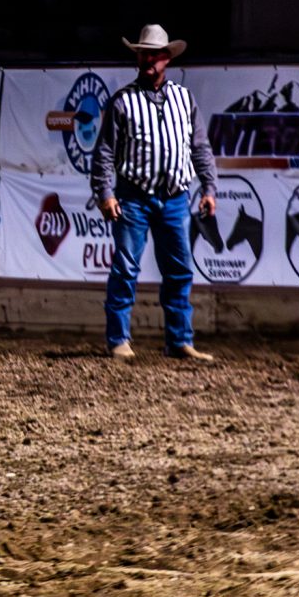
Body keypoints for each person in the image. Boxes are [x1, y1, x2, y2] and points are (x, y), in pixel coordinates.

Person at [91, 23, 218, 362]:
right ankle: (118, 339)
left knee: (179, 270)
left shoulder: (184, 98)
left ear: (166, 59)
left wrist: (209, 188)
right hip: (134, 195)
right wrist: (106, 194)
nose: (148, 59)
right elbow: (104, 152)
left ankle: (179, 341)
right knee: (126, 267)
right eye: (143, 54)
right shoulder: (122, 102)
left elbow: (200, 148)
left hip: (175, 196)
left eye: (154, 54)